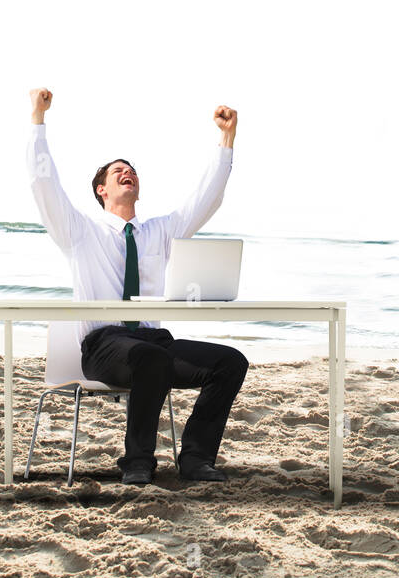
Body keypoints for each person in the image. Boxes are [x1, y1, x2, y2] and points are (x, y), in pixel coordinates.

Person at [24, 87, 248, 485]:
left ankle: (196, 457)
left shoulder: (158, 233)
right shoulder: (79, 232)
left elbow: (205, 200)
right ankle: (138, 461)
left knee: (229, 362)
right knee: (150, 358)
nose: (128, 173)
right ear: (101, 190)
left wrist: (226, 139)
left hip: (153, 343)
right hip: (103, 347)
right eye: (117, 171)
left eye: (132, 170)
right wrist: (38, 119)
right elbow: (44, 186)